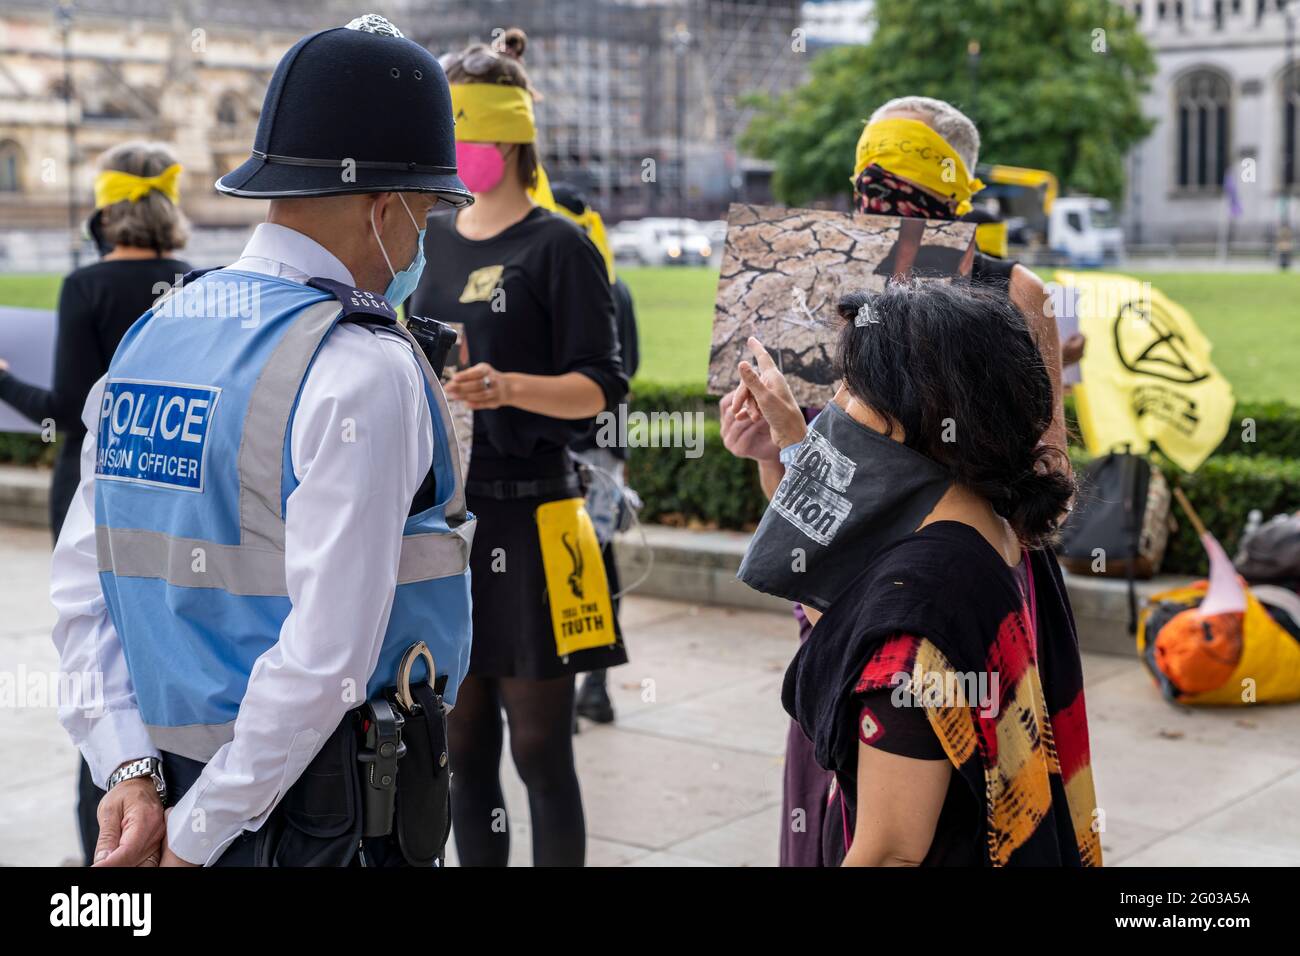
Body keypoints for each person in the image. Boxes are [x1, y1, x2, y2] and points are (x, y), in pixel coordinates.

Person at [48, 15, 475, 867]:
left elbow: (81, 589)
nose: (422, 239)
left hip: (156, 789)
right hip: (315, 812)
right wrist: (199, 837)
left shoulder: (157, 332)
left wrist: (127, 771)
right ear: (383, 205)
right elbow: (327, 659)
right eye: (425, 214)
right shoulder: (362, 364)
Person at [721, 94, 1069, 867]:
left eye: (903, 189)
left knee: (947, 821)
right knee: (845, 801)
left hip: (954, 593)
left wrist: (959, 525)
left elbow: (1046, 489)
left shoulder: (1016, 298)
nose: (882, 208)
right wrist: (772, 452)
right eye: (869, 186)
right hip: (850, 597)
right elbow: (809, 513)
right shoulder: (825, 290)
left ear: (957, 191)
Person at [739, 280, 1100, 866]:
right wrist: (784, 441)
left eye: (850, 388)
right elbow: (842, 593)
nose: (835, 408)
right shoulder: (1003, 527)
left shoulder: (918, 610)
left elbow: (888, 853)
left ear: (909, 417)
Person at [409, 29, 627, 867]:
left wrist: (508, 388)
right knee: (460, 750)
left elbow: (601, 386)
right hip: (449, 522)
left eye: (467, 140)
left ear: (509, 139)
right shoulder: (427, 242)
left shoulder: (559, 244)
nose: (456, 156)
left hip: (540, 518)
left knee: (541, 750)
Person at [0, 140, 191, 865]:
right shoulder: (201, 282)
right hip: (179, 498)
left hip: (95, 496)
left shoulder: (86, 287)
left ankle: (105, 851)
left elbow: (66, 408)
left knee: (102, 679)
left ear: (105, 213)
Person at [551, 180, 641, 726]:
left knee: (567, 566)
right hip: (605, 446)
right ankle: (595, 685)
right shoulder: (615, 284)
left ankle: (568, 689)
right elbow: (626, 369)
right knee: (595, 560)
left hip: (573, 450)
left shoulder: (565, 278)